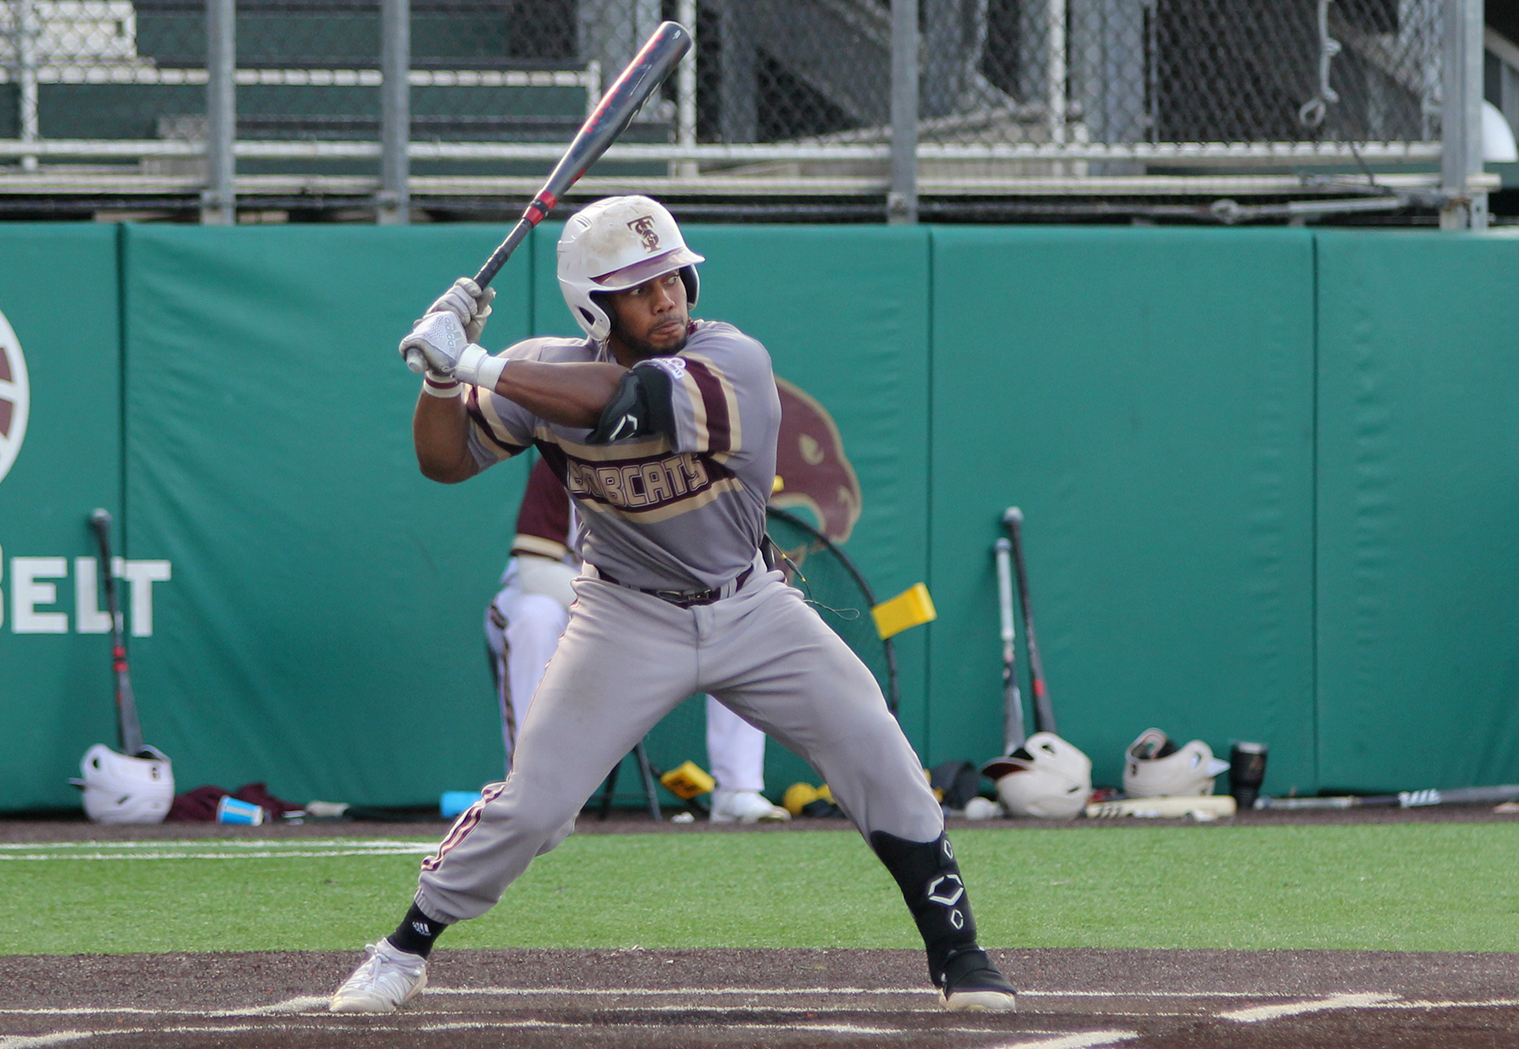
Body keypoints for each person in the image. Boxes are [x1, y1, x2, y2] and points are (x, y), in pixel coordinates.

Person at [333, 195, 1015, 1014]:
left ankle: (961, 955)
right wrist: (441, 379)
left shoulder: (733, 360)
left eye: (672, 277)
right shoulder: (541, 369)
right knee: (535, 807)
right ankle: (404, 949)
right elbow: (442, 462)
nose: (667, 298)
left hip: (752, 606)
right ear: (595, 305)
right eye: (638, 286)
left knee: (879, 754)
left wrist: (475, 362)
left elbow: (625, 407)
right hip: (623, 616)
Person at [488, 454, 790, 824]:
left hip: (648, 608)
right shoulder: (564, 455)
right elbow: (535, 571)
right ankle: (530, 791)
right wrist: (628, 606)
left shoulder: (691, 471)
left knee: (735, 618)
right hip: (561, 597)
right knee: (535, 618)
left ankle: (738, 790)